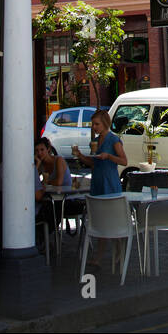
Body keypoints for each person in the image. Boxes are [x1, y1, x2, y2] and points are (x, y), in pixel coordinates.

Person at [69, 109, 126, 271]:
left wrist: (108, 157)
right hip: (98, 183)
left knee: (112, 220)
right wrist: (80, 156)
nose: (94, 127)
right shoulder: (95, 141)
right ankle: (102, 256)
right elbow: (94, 163)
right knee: (100, 220)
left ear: (105, 123)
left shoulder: (113, 140)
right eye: (93, 124)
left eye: (97, 124)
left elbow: (124, 160)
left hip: (110, 183)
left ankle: (111, 253)